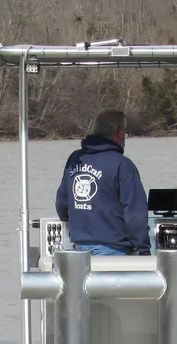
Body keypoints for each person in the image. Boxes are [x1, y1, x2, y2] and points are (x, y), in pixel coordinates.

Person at [55, 109, 149, 256]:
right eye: (125, 132)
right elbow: (135, 216)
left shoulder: (75, 159)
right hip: (114, 252)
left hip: (80, 252)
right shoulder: (122, 165)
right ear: (119, 132)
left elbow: (62, 205)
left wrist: (82, 227)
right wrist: (144, 250)